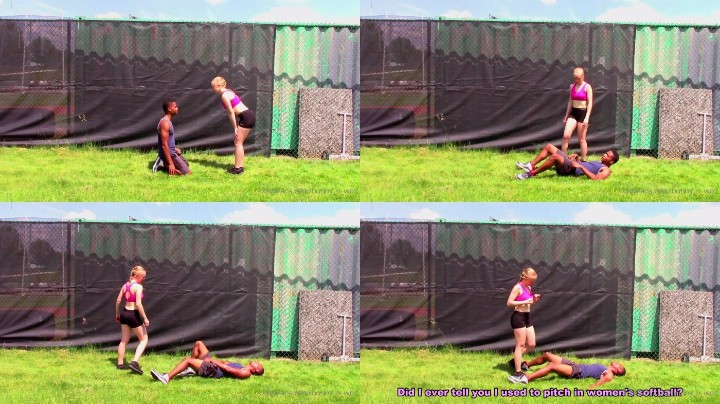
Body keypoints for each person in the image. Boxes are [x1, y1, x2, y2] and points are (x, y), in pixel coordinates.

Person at [150, 340, 264, 384]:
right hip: (214, 365)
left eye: (258, 365)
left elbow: (227, 369)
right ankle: (191, 369)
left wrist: (211, 360)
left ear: (256, 370)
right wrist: (213, 360)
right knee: (199, 344)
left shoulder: (246, 373)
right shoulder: (242, 365)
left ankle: (167, 378)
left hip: (214, 371)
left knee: (188, 360)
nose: (257, 362)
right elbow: (225, 363)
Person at [211, 76, 256, 175]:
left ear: (219, 86)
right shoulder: (228, 92)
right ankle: (239, 167)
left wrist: (235, 127)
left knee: (238, 142)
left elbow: (230, 112)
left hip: (246, 117)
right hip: (248, 116)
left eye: (213, 87)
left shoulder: (224, 96)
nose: (212, 89)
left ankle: (237, 169)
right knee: (238, 142)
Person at [508, 351, 626, 388]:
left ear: (618, 371)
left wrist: (592, 388)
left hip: (577, 372)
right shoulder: (605, 368)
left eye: (619, 365)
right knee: (547, 355)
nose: (617, 363)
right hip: (576, 365)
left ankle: (526, 378)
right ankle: (526, 365)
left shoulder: (609, 373)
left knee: (552, 366)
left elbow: (606, 379)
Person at [506, 268, 541, 384]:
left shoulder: (528, 287)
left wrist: (533, 300)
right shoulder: (517, 287)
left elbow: (529, 302)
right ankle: (518, 373)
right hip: (518, 317)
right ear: (525, 278)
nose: (533, 283)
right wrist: (526, 301)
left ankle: (514, 361)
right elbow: (509, 302)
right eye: (532, 280)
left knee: (531, 344)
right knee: (520, 345)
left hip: (527, 316)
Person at [515, 143, 619, 180]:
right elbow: (585, 165)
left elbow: (596, 179)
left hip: (571, 171)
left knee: (555, 157)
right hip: (572, 164)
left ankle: (531, 174)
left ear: (611, 161)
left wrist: (580, 167)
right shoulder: (598, 162)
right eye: (605, 153)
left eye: (607, 156)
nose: (604, 155)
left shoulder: (606, 170)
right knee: (549, 146)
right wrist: (577, 158)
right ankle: (530, 165)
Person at [115, 265, 150, 374]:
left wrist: (117, 314)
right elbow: (138, 304)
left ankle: (120, 364)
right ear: (138, 275)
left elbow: (118, 301)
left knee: (123, 340)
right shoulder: (138, 287)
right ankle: (134, 362)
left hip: (124, 314)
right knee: (144, 339)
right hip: (133, 314)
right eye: (143, 277)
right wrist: (145, 318)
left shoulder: (125, 285)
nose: (143, 279)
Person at [563, 67, 593, 162]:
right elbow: (570, 101)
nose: (577, 80)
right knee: (566, 136)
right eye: (575, 78)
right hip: (574, 113)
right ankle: (563, 159)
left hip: (583, 113)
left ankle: (583, 160)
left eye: (578, 78)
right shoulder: (572, 86)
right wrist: (567, 115)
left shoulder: (587, 87)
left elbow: (590, 103)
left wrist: (587, 117)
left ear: (583, 76)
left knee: (581, 139)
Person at [157, 99, 191, 175]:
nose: (177, 108)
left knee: (186, 164)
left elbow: (168, 141)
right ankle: (162, 162)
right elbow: (164, 145)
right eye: (175, 107)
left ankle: (164, 164)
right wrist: (170, 163)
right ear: (169, 109)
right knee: (187, 173)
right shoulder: (165, 123)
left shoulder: (168, 121)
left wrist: (174, 148)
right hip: (169, 154)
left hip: (172, 151)